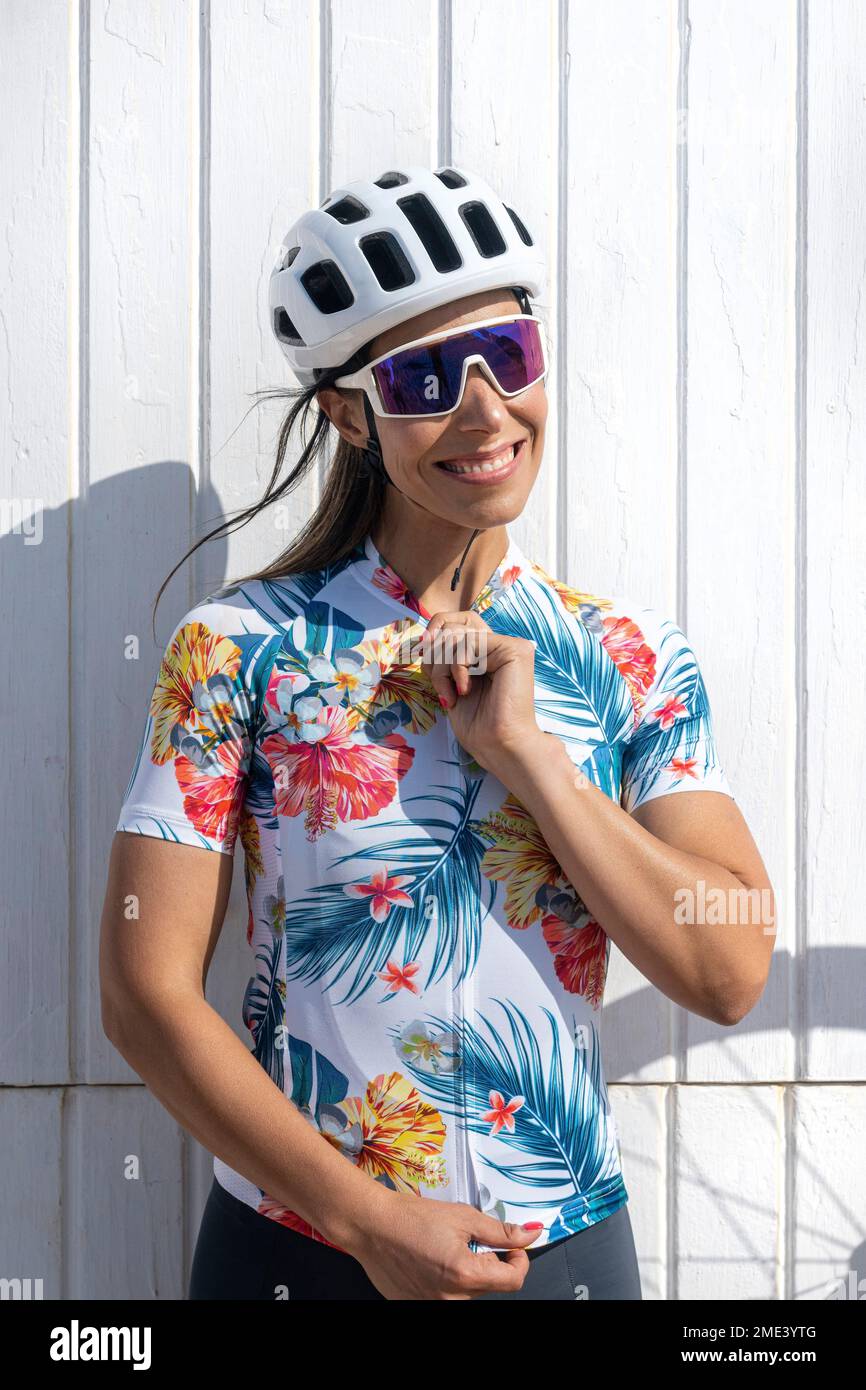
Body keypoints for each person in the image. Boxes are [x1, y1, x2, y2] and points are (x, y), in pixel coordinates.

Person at [100, 164, 775, 1301]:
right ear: (346, 412)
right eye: (422, 378)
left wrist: (530, 759)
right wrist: (366, 1223)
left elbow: (726, 969)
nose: (482, 411)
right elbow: (143, 994)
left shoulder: (627, 654)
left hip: (562, 1252)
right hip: (304, 1252)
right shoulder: (235, 649)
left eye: (507, 357)